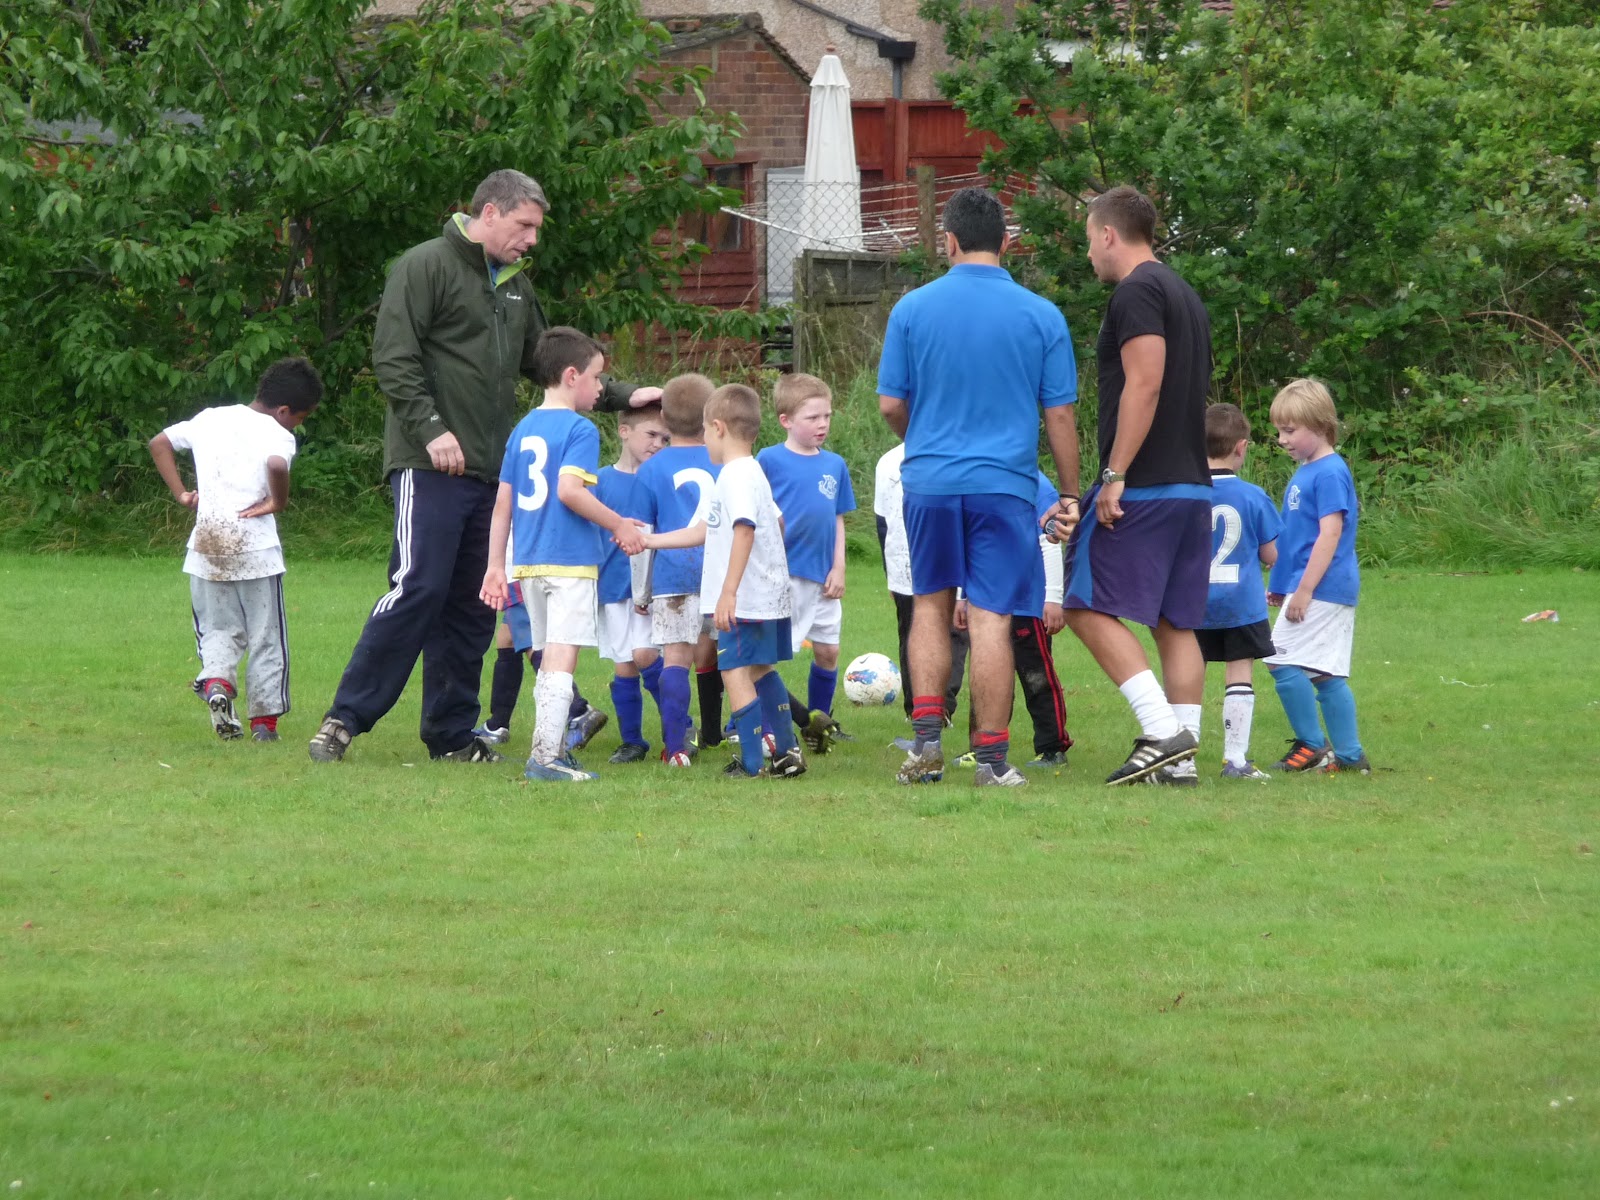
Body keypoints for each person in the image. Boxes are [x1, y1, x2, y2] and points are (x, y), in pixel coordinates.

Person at [307, 169, 659, 764]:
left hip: (493, 473)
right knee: (417, 587)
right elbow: (393, 358)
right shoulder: (425, 266)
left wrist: (625, 396)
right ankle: (344, 720)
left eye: (536, 229)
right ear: (489, 213)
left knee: (475, 604)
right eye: (525, 226)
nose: (532, 240)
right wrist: (431, 430)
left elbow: (552, 363)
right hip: (429, 464)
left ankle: (450, 736)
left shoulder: (517, 286)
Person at [877, 186, 1080, 788]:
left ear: (949, 241)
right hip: (1006, 487)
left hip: (931, 484)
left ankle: (925, 746)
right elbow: (1061, 417)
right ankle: (992, 761)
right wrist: (1068, 493)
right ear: (1008, 245)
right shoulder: (1042, 314)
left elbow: (892, 403)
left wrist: (925, 441)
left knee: (931, 607)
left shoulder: (911, 308)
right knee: (992, 618)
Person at [1047, 185, 1212, 786]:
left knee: (1084, 604)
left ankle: (1161, 730)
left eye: (1090, 238)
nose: (1089, 252)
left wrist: (1114, 474)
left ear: (1110, 234)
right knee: (1175, 622)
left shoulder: (1137, 290)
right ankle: (1181, 762)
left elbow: (1144, 384)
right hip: (1194, 486)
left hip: (1145, 486)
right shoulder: (1185, 293)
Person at [478, 327, 647, 782]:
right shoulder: (580, 428)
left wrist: (497, 567)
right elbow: (571, 491)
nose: (600, 389)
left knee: (547, 653)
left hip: (528, 562)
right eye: (596, 379)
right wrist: (619, 524)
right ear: (572, 376)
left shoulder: (523, 427)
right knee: (561, 657)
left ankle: (547, 752)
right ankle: (546, 758)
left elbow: (502, 505)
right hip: (568, 559)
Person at [148, 357, 324, 742]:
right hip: (256, 550)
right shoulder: (277, 433)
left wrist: (181, 493)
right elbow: (277, 465)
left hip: (207, 547)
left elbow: (159, 443)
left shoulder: (211, 418)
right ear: (283, 410)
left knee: (217, 628)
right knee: (266, 635)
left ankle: (217, 685)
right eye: (300, 417)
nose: (298, 424)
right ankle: (264, 725)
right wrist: (278, 501)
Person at [639, 384, 805, 779]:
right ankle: (787, 752)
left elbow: (744, 529)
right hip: (765, 594)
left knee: (734, 671)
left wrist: (728, 591)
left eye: (705, 432)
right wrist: (648, 540)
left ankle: (751, 763)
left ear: (717, 428)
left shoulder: (735, 476)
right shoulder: (747, 473)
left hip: (745, 598)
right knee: (762, 668)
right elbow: (704, 530)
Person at [1264, 379, 1371, 774]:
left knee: (1278, 658)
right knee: (1322, 670)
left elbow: (1330, 533)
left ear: (1322, 425)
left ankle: (1313, 746)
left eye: (1290, 431)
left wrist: (1304, 590)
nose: (1281, 440)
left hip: (1324, 587)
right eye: (1279, 431)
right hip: (1309, 586)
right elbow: (1296, 539)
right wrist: (1281, 587)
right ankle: (1349, 756)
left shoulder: (1328, 472)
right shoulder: (1309, 471)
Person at [757, 373, 858, 754]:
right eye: (813, 417)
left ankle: (820, 721)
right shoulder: (768, 459)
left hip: (824, 576)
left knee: (828, 651)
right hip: (788, 574)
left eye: (827, 416)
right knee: (772, 653)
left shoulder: (835, 464)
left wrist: (840, 567)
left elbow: (837, 518)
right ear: (785, 420)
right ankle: (756, 721)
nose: (822, 424)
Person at [950, 468, 1075, 770]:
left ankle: (1052, 748)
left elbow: (1050, 541)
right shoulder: (976, 479)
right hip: (985, 604)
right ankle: (981, 746)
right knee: (984, 673)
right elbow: (970, 547)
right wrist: (962, 596)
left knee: (1037, 678)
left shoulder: (1036, 483)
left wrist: (1053, 597)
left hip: (1027, 604)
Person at [634, 373, 721, 766]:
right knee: (739, 658)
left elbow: (640, 536)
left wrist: (641, 592)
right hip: (722, 575)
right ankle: (761, 736)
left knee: (675, 659)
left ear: (665, 422)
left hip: (673, 575)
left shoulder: (651, 469)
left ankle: (677, 749)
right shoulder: (726, 460)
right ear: (710, 418)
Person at [1196, 403, 1281, 780]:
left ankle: (1180, 756)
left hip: (1191, 604)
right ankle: (1235, 760)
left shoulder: (1186, 495)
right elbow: (1271, 554)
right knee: (1240, 674)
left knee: (1187, 675)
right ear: (1242, 447)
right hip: (1241, 605)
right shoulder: (1253, 496)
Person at [593, 402, 672, 762]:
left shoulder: (661, 479)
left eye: (665, 437)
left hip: (653, 588)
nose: (658, 443)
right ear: (625, 431)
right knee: (624, 663)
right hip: (612, 584)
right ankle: (632, 741)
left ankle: (680, 725)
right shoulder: (598, 481)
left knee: (645, 655)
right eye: (651, 434)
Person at [875, 440, 967, 734]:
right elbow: (882, 523)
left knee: (952, 631)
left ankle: (942, 707)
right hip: (904, 563)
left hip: (948, 561)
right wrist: (891, 571)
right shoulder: (888, 462)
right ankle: (916, 708)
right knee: (911, 632)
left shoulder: (956, 453)